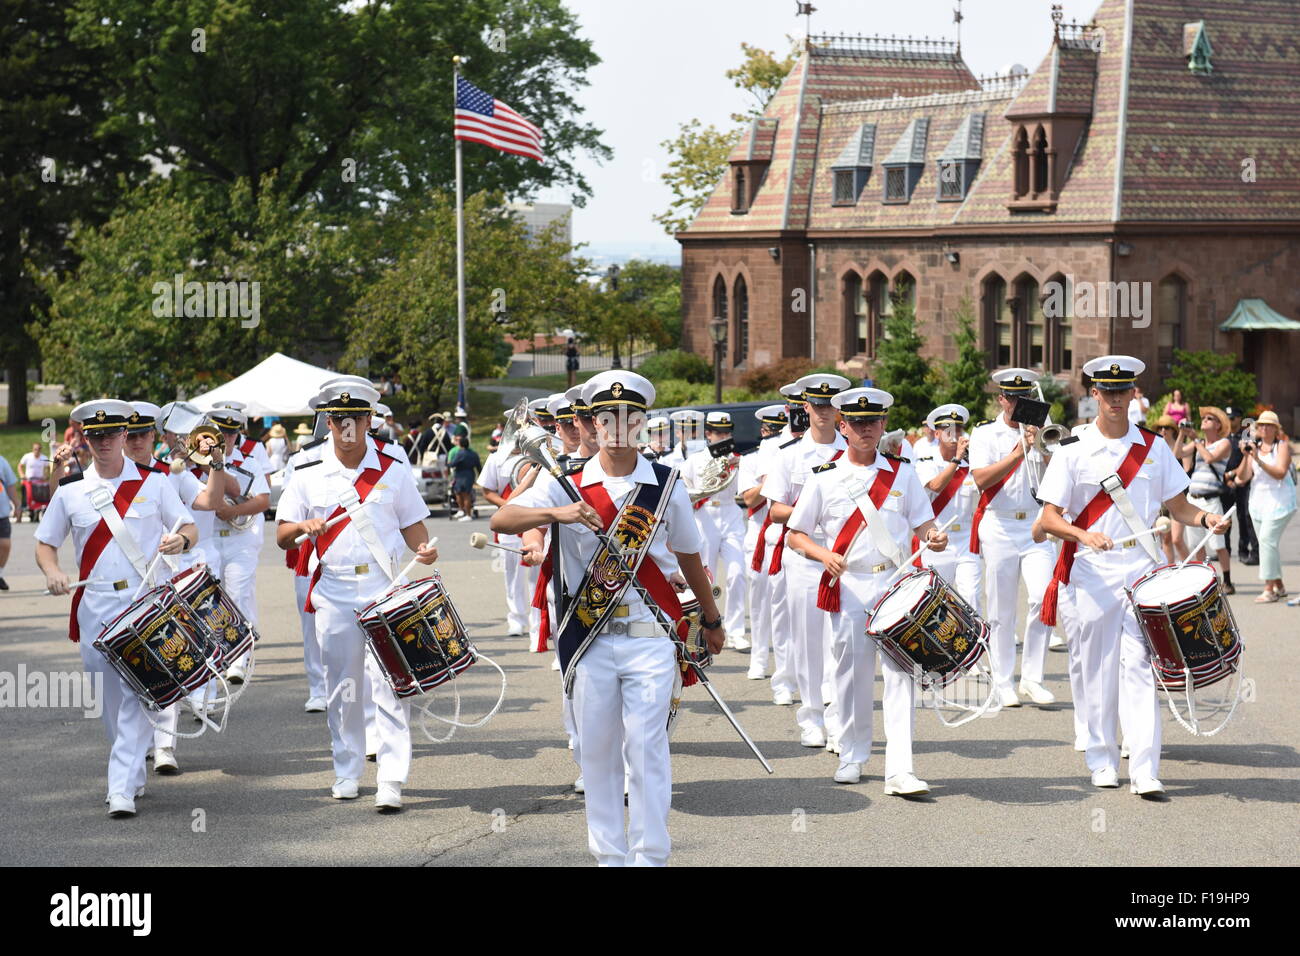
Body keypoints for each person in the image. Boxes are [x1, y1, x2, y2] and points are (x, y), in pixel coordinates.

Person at [491, 369, 724, 867]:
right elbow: (502, 519)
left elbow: (688, 558)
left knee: (647, 752)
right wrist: (558, 516)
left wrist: (711, 617)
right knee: (596, 757)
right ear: (593, 425)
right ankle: (609, 858)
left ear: (641, 423)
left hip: (650, 638)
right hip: (588, 638)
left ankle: (650, 857)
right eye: (606, 417)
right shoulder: (565, 484)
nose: (617, 426)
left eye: (628, 417)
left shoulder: (665, 485)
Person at [1038, 356, 1230, 797]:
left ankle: (1144, 769)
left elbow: (1177, 506)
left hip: (1142, 571)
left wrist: (1206, 520)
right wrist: (1082, 534)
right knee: (1098, 669)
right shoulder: (1072, 449)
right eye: (1108, 392)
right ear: (1095, 394)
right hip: (1092, 571)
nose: (1116, 399)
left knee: (1141, 667)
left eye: (1124, 391)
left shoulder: (1153, 447)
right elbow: (1049, 518)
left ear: (1132, 395)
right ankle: (1102, 758)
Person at [275, 381, 437, 810]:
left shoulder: (393, 469)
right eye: (339, 421)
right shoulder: (306, 471)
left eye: (356, 420)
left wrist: (424, 549)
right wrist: (302, 530)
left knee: (390, 685)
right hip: (334, 588)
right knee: (342, 686)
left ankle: (391, 779)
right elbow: (282, 534)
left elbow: (414, 527)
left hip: (385, 586)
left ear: (369, 422)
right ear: (329, 423)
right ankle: (347, 770)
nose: (348, 428)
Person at [35, 399, 197, 817]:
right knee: (110, 700)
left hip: (146, 602)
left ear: (125, 436)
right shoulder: (71, 492)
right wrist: (52, 571)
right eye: (94, 436)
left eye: (110, 435)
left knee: (137, 697)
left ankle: (119, 789)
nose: (103, 443)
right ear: (85, 440)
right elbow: (45, 544)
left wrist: (182, 541)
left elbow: (188, 526)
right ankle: (131, 770)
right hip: (96, 605)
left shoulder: (156, 483)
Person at [787, 387, 948, 792]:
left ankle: (900, 769)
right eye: (856, 423)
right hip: (850, 583)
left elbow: (922, 523)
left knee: (901, 674)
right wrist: (822, 554)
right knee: (851, 674)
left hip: (894, 584)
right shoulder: (825, 478)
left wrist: (934, 536)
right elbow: (795, 535)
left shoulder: (903, 472)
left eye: (871, 422)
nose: (864, 429)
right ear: (842, 427)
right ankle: (853, 754)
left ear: (883, 425)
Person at [762, 372, 851, 750]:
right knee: (807, 639)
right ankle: (811, 716)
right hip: (804, 553)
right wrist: (811, 509)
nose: (824, 412)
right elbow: (773, 509)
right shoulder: (790, 454)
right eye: (817, 404)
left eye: (830, 405)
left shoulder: (852, 451)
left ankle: (836, 719)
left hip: (846, 555)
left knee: (841, 641)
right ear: (805, 407)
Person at [968, 368, 1058, 708]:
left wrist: (1045, 449)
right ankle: (1003, 680)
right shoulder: (985, 434)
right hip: (999, 525)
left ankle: (1032, 678)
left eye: (1025, 399)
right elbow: (981, 479)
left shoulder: (1039, 431)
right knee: (1001, 609)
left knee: (1041, 596)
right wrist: (1019, 451)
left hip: (1034, 526)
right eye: (1012, 399)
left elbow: (1056, 476)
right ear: (1001, 399)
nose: (1017, 405)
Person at [206, 405, 272, 682]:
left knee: (238, 595)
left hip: (239, 539)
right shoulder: (199, 462)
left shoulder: (250, 462)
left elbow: (263, 501)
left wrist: (233, 511)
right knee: (209, 602)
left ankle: (237, 659)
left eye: (232, 433)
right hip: (209, 538)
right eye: (222, 432)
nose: (228, 438)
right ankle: (213, 655)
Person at [680, 411, 749, 649]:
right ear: (708, 434)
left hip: (731, 513)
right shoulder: (694, 460)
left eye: (726, 432)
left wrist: (740, 466)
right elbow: (685, 490)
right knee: (704, 576)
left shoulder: (739, 459)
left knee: (737, 572)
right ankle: (704, 625)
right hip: (705, 514)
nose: (722, 437)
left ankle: (737, 629)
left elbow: (746, 492)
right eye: (718, 433)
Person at [737, 405, 789, 684]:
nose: (774, 437)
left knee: (785, 608)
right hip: (758, 537)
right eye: (771, 431)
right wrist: (768, 478)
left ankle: (787, 667)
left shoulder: (791, 455)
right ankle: (758, 659)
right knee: (759, 605)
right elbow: (750, 500)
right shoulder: (751, 460)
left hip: (785, 536)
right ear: (763, 431)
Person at [913, 404, 982, 610]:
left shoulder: (972, 464)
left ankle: (973, 641)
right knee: (936, 602)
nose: (954, 435)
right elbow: (936, 486)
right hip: (936, 538)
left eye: (958, 430)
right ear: (936, 433)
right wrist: (956, 460)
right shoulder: (926, 462)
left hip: (966, 541)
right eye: (948, 431)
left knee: (971, 597)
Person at [1233, 410, 1295, 602]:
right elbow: (1241, 479)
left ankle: (1268, 589)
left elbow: (1280, 473)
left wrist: (1258, 459)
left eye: (1268, 425)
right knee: (1269, 545)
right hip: (1258, 504)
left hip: (1280, 503)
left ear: (1276, 429)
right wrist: (1246, 456)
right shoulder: (1254, 448)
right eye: (1261, 425)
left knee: (1266, 541)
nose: (1264, 428)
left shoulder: (1282, 446)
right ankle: (1280, 586)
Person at [1173, 406, 1234, 593]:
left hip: (1211, 500)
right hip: (1194, 499)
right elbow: (1177, 454)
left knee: (1218, 545)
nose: (1204, 420)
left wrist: (1195, 440)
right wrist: (1182, 435)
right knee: (1196, 544)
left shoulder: (1224, 443)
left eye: (1209, 418)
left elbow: (1209, 458)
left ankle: (1228, 580)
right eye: (1204, 418)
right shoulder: (1198, 443)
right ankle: (1206, 582)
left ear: (1218, 425)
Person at [1224, 407, 1259, 566]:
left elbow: (1248, 461)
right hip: (1225, 483)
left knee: (1244, 517)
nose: (1230, 421)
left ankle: (1244, 550)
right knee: (1225, 518)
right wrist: (1226, 478)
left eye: (1233, 418)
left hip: (1242, 483)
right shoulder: (1223, 438)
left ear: (1239, 419)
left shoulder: (1245, 438)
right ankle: (1225, 550)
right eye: (1228, 418)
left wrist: (1233, 476)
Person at [1151, 414, 1185, 562]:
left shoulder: (1182, 448)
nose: (1163, 430)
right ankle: (1169, 570)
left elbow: (1183, 466)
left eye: (1167, 427)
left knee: (1177, 539)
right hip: (1161, 499)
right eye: (1160, 427)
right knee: (1165, 539)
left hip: (1177, 497)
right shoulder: (1154, 449)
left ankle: (1189, 567)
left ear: (1173, 430)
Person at [450, 435, 480, 521]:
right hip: (470, 474)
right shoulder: (474, 454)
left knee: (460, 493)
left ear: (460, 444)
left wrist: (449, 463)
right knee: (465, 494)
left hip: (460, 474)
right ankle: (464, 512)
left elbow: (452, 464)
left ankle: (466, 513)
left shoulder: (460, 453)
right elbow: (478, 466)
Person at [0, 453, 19, 589]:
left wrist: (17, 504)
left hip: (2, 513)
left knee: (5, 544)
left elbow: (10, 485)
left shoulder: (2, 460)